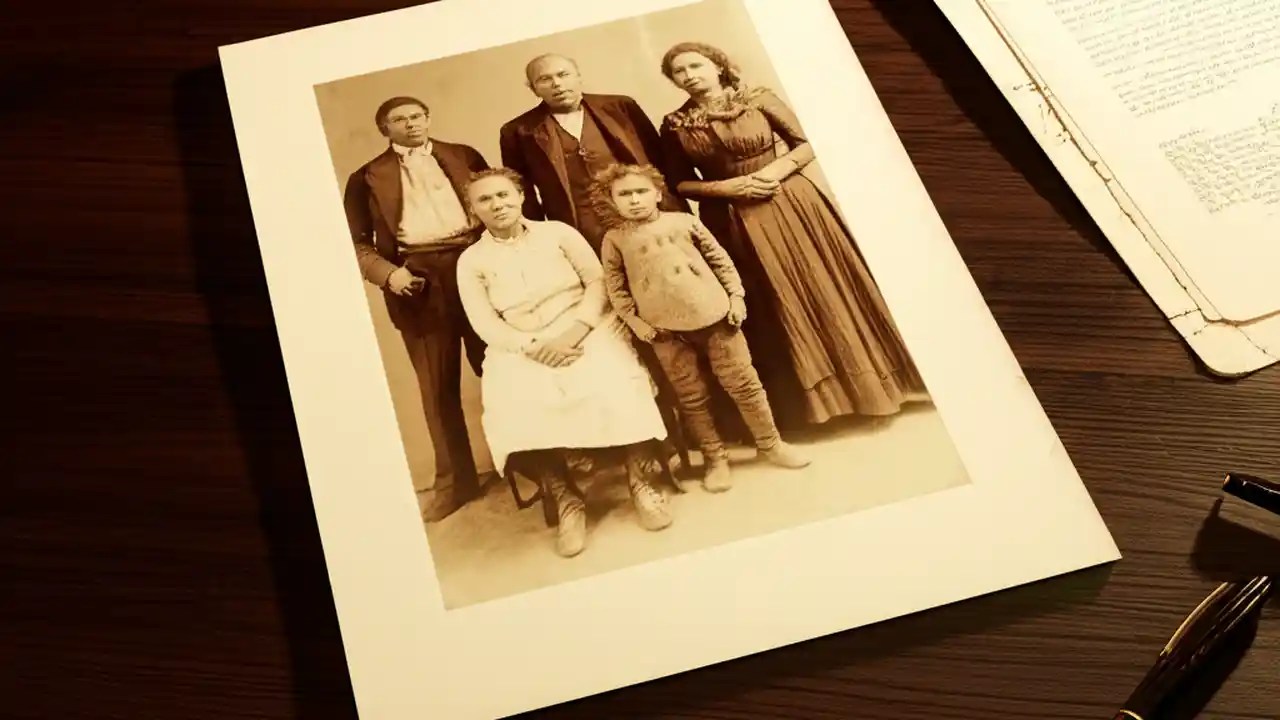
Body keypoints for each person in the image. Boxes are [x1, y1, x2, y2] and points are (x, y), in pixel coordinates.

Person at [655, 42, 928, 430]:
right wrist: (728, 189)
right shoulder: (675, 123)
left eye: (695, 65)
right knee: (775, 302)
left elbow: (807, 142)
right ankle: (815, 409)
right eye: (679, 72)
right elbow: (679, 182)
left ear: (717, 65)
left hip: (792, 201)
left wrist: (772, 174)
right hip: (732, 218)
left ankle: (876, 388)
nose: (689, 75)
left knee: (827, 288)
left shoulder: (758, 97)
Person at [454, 167, 676, 558]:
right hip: (520, 341)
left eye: (504, 195)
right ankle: (566, 498)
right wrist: (533, 345)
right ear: (473, 210)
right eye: (485, 200)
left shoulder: (558, 233)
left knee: (615, 380)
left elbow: (597, 283)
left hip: (585, 324)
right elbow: (484, 321)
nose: (497, 205)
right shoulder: (471, 261)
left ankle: (641, 482)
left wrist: (574, 332)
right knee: (512, 401)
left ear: (520, 196)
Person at [594, 163, 811, 492]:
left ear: (657, 193)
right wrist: (637, 323)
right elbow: (616, 288)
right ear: (612, 201)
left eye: (641, 192)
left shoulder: (685, 222)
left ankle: (772, 444)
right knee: (691, 397)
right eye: (624, 195)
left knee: (745, 385)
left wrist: (736, 298)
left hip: (716, 317)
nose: (634, 200)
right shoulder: (615, 239)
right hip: (663, 331)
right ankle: (715, 458)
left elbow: (721, 261)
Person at [342, 95, 490, 522]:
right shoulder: (366, 177)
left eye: (417, 116)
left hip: (476, 265)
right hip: (418, 279)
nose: (411, 124)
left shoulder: (463, 155)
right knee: (437, 387)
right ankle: (455, 485)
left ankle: (535, 465)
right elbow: (353, 241)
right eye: (399, 120)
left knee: (503, 368)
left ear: (428, 118)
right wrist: (389, 274)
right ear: (385, 130)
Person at [498, 53, 688, 254]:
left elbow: (660, 161)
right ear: (533, 88)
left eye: (563, 74)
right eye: (545, 79)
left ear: (578, 76)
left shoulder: (621, 107)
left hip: (643, 214)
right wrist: (538, 238)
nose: (557, 83)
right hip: (580, 228)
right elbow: (522, 192)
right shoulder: (518, 131)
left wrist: (674, 211)